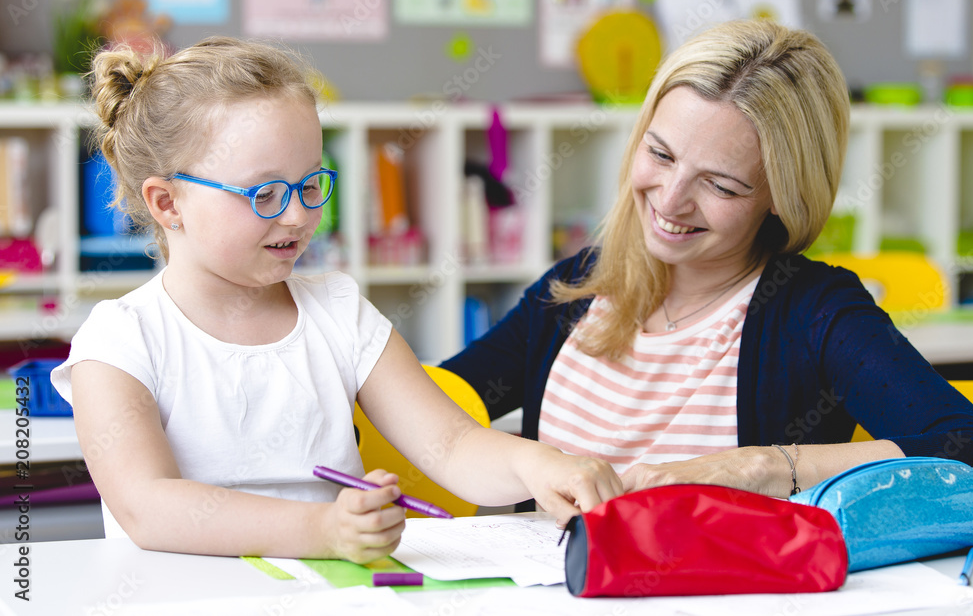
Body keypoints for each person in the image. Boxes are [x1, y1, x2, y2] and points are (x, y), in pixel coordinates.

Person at [51, 36, 622, 563]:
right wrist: (322, 530)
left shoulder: (338, 310)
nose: (299, 216)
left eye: (309, 185)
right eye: (265, 193)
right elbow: (148, 507)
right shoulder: (118, 341)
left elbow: (452, 446)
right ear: (167, 203)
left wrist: (536, 463)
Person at [441, 19, 973, 504]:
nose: (670, 199)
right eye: (660, 154)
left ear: (784, 195)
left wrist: (758, 468)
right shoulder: (575, 288)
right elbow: (429, 412)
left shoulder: (813, 313)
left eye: (720, 185)